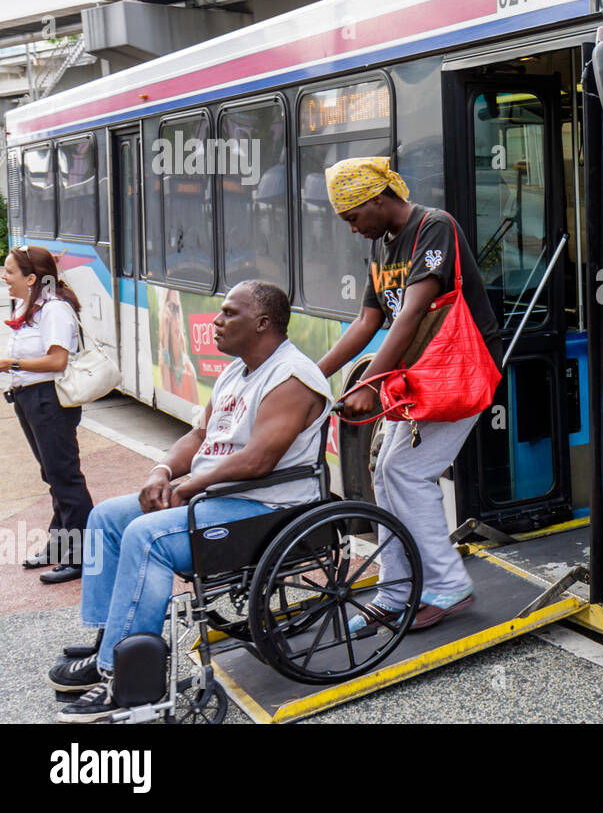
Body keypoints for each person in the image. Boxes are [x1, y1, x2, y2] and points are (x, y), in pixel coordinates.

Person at [48, 281, 331, 723]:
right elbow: (199, 435)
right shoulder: (237, 371)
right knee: (105, 517)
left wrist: (191, 485)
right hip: (220, 495)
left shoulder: (291, 378)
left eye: (228, 314)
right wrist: (161, 471)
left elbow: (259, 460)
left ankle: (123, 678)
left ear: (261, 323)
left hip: (266, 508)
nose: (216, 321)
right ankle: (113, 644)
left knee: (148, 537)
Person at [316, 157, 502, 634]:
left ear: (378, 199)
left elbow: (413, 312)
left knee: (406, 471)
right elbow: (367, 322)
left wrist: (371, 384)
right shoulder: (382, 246)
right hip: (420, 373)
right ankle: (396, 591)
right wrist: (311, 378)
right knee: (386, 471)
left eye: (354, 217)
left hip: (461, 367)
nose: (354, 229)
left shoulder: (434, 227)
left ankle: (445, 582)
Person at [1, 245, 94, 584]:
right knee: (52, 475)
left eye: (9, 272)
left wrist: (8, 364)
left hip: (49, 400)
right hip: (28, 398)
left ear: (30, 278)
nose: (4, 277)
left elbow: (57, 361)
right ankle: (59, 545)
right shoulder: (28, 305)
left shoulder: (54, 309)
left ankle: (83, 556)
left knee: (65, 478)